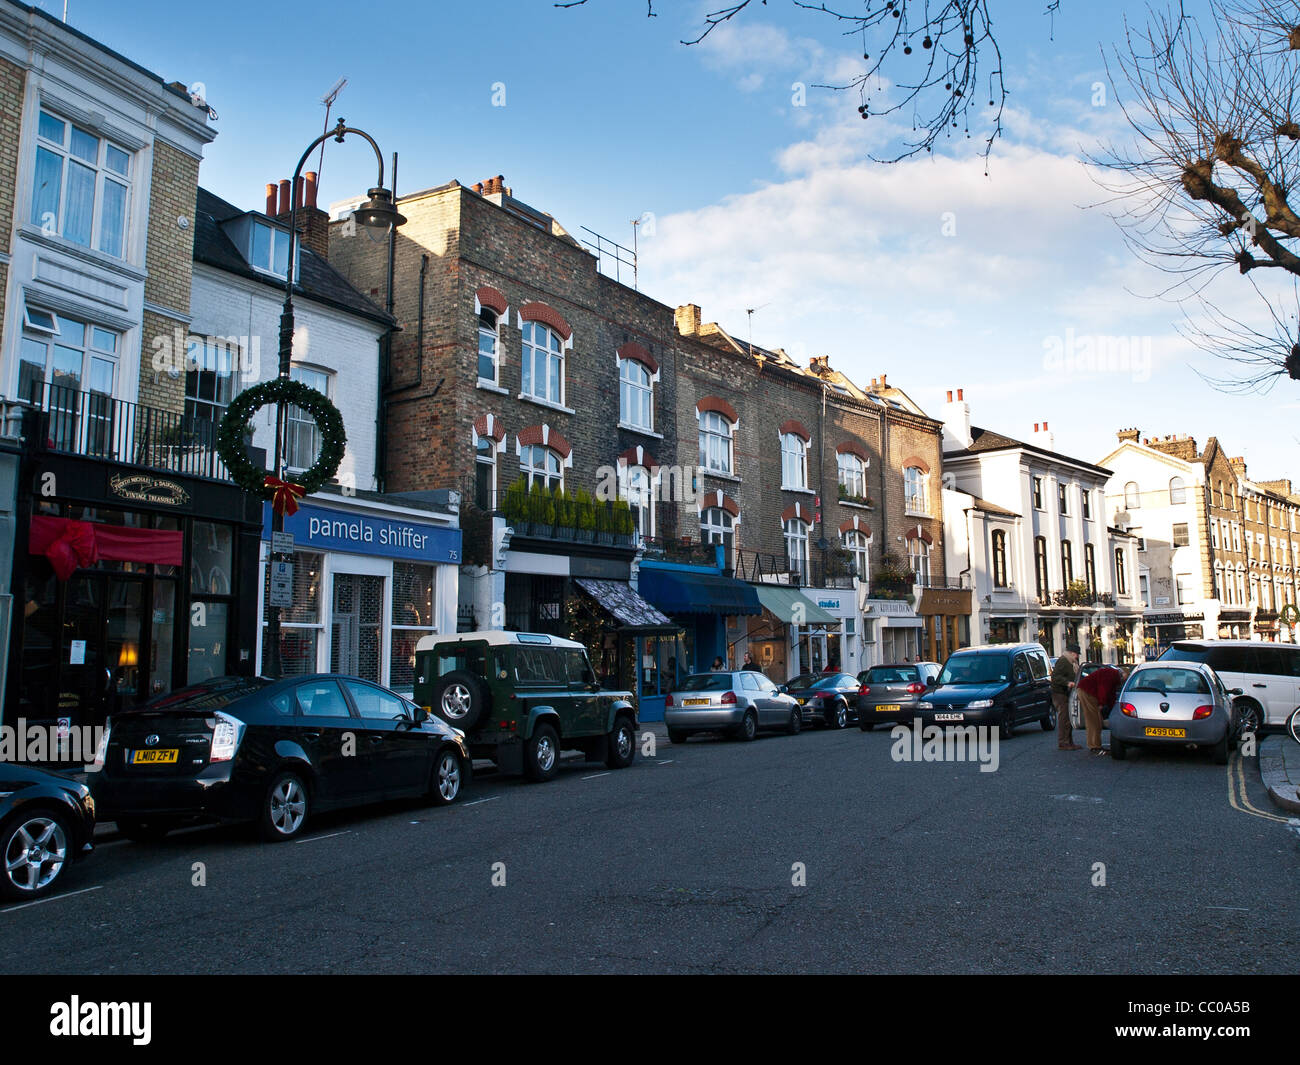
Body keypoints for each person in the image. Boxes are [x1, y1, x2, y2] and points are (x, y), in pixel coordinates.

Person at [1077, 664, 1127, 755]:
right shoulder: (1111, 675)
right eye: (1124, 679)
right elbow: (1103, 688)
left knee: (1095, 720)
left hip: (1086, 691)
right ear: (1122, 674)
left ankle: (1094, 745)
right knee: (1094, 720)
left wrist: (1112, 708)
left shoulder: (1113, 676)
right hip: (1087, 692)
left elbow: (1110, 694)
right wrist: (1101, 703)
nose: (1123, 682)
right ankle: (1095, 746)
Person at [1052, 646, 1081, 751]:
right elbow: (1055, 677)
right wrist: (1067, 682)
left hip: (1066, 693)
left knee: (1069, 718)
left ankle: (1069, 742)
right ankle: (1063, 743)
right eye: (1077, 654)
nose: (1077, 657)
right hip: (1060, 693)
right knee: (1064, 718)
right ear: (1072, 653)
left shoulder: (1071, 662)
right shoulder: (1064, 661)